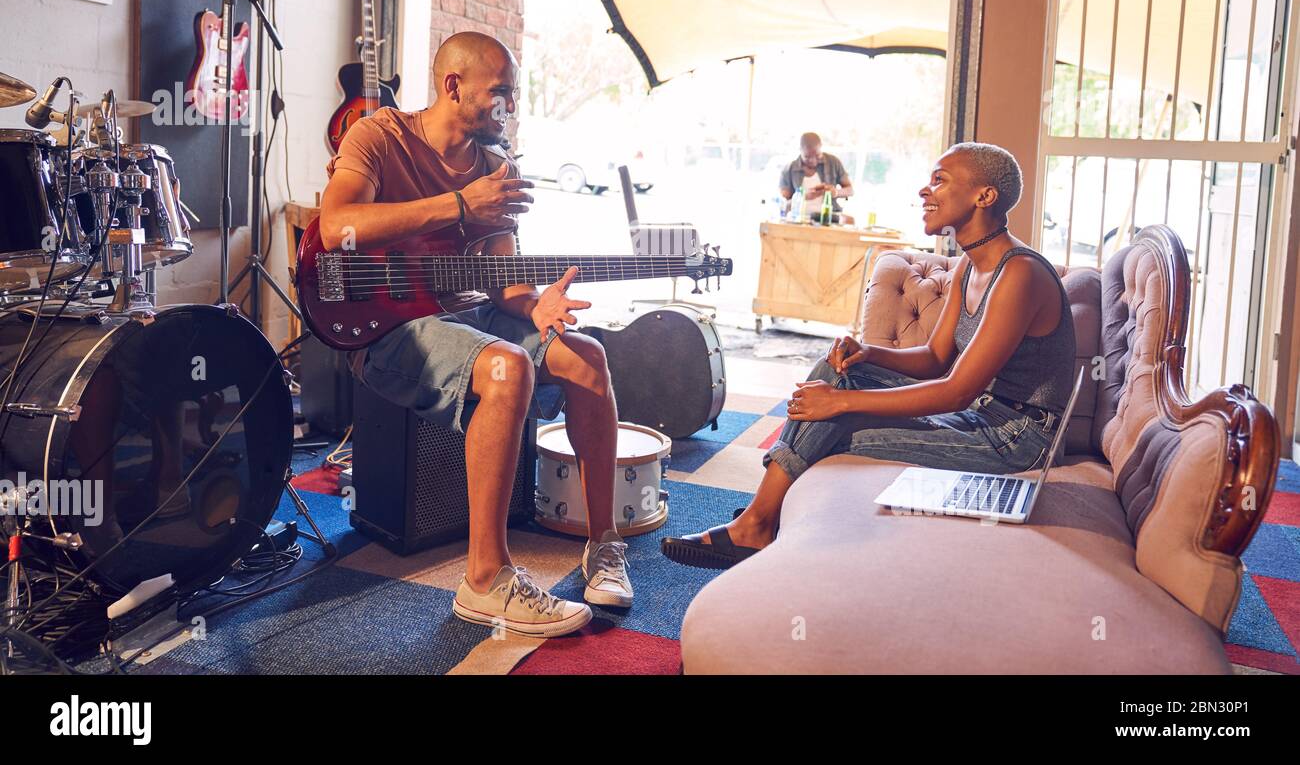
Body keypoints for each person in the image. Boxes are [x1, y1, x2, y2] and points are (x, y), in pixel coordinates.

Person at [320, 31, 632, 635]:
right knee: (507, 365)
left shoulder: (495, 168)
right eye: (500, 94)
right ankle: (485, 580)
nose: (509, 108)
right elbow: (337, 229)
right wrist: (460, 205)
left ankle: (603, 548)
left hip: (469, 315)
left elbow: (499, 279)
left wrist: (536, 305)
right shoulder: (378, 137)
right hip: (385, 324)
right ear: (453, 86)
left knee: (586, 356)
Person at [663, 142, 1075, 569]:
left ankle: (757, 524)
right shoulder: (970, 266)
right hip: (978, 415)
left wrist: (840, 402)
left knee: (837, 424)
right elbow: (935, 357)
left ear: (984, 196)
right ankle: (759, 520)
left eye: (940, 180)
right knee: (834, 369)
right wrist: (866, 352)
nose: (924, 191)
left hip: (1018, 440)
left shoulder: (1020, 274)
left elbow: (954, 391)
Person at [778, 132, 854, 224]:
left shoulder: (833, 162)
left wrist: (836, 192)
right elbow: (784, 205)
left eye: (817, 156)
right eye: (807, 157)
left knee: (849, 220)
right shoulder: (789, 169)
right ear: (800, 150)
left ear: (821, 147)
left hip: (829, 217)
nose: (813, 160)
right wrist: (803, 197)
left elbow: (850, 190)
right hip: (800, 219)